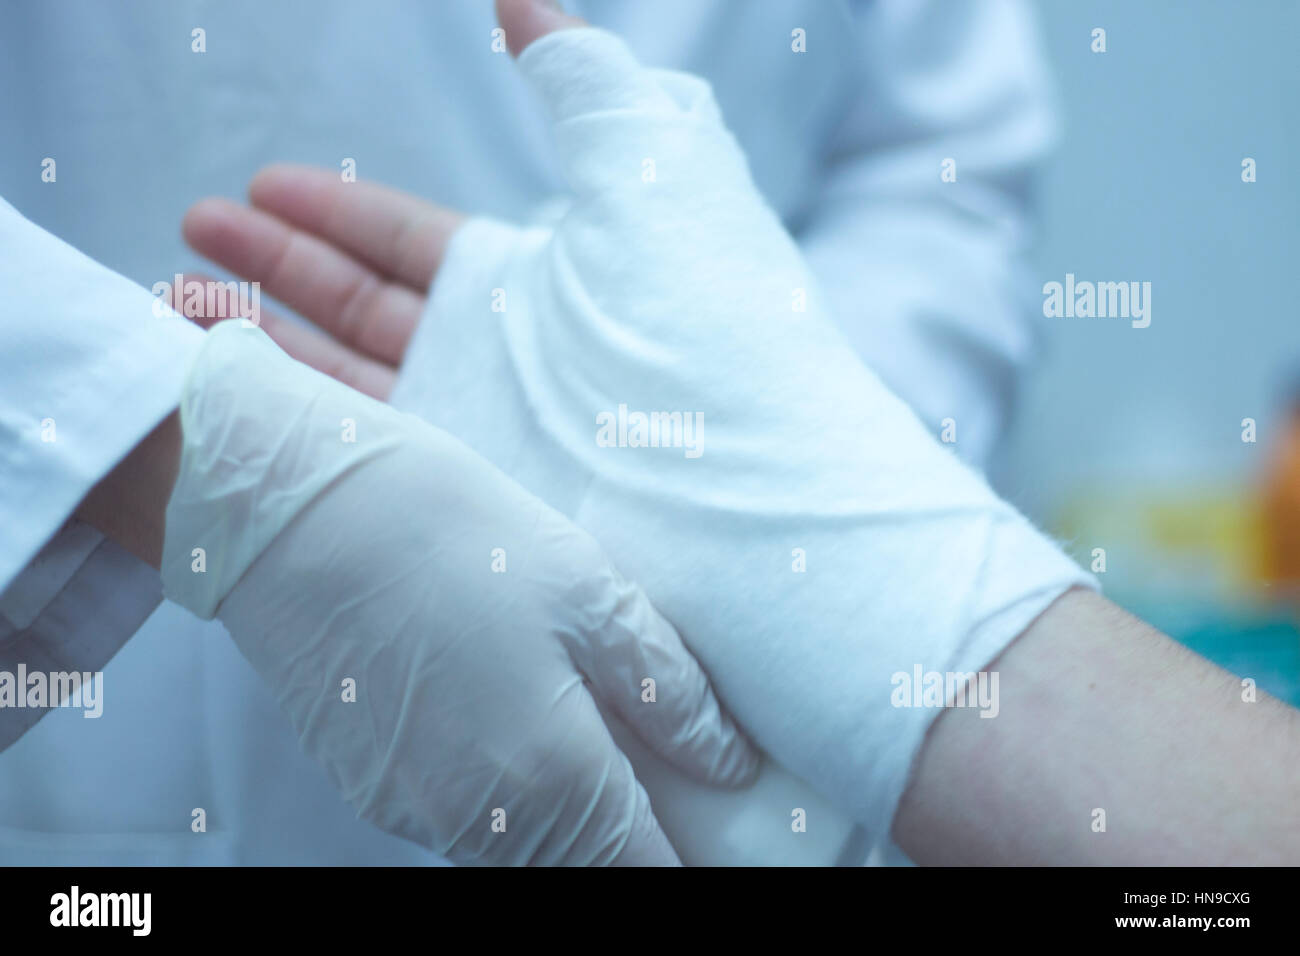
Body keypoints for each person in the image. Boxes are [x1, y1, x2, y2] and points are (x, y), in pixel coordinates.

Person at [1, 0, 1085, 865]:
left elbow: (932, 160)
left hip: (749, 738)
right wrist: (189, 452)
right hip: (108, 745)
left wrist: (789, 497)